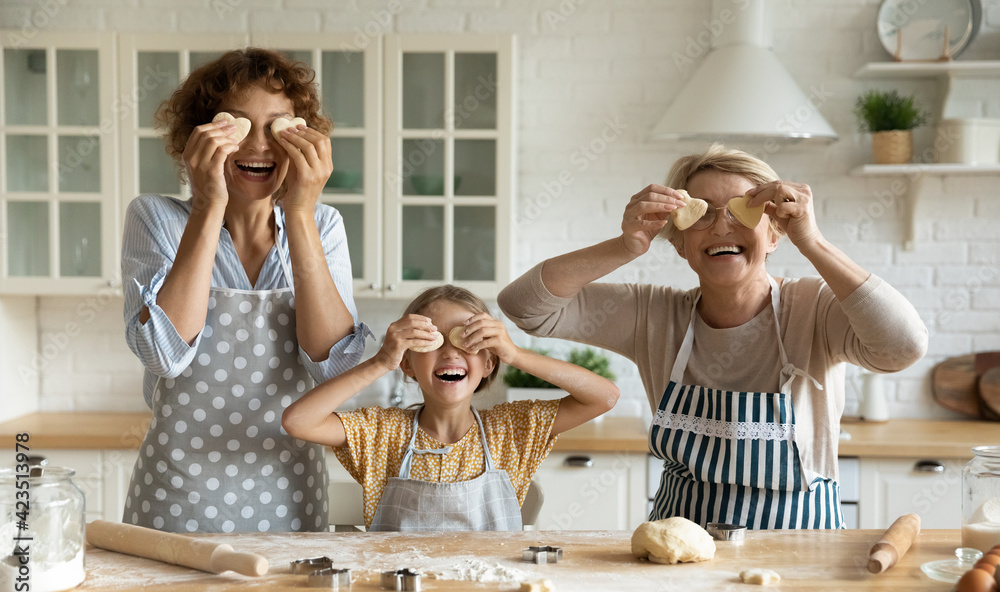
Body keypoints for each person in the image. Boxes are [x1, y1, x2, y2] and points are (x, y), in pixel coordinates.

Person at [498, 144, 928, 530]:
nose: (721, 227)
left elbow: (903, 346)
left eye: (743, 210)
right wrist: (624, 246)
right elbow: (524, 307)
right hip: (677, 550)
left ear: (775, 233)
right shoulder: (653, 314)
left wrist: (812, 240)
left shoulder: (814, 307)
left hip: (802, 550)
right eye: (702, 213)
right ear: (681, 244)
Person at [121, 48, 370, 533]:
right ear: (198, 136)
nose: (259, 145)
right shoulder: (156, 219)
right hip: (176, 494)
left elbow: (334, 367)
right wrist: (207, 204)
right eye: (236, 124)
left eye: (277, 127)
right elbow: (165, 355)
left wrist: (299, 213)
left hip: (289, 486)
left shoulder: (323, 224)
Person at [281, 285, 619, 531]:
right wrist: (381, 361)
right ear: (408, 365)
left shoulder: (511, 429)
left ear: (489, 363)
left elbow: (604, 396)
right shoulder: (382, 433)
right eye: (431, 340)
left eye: (467, 340)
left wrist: (515, 354)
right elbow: (298, 421)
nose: (450, 352)